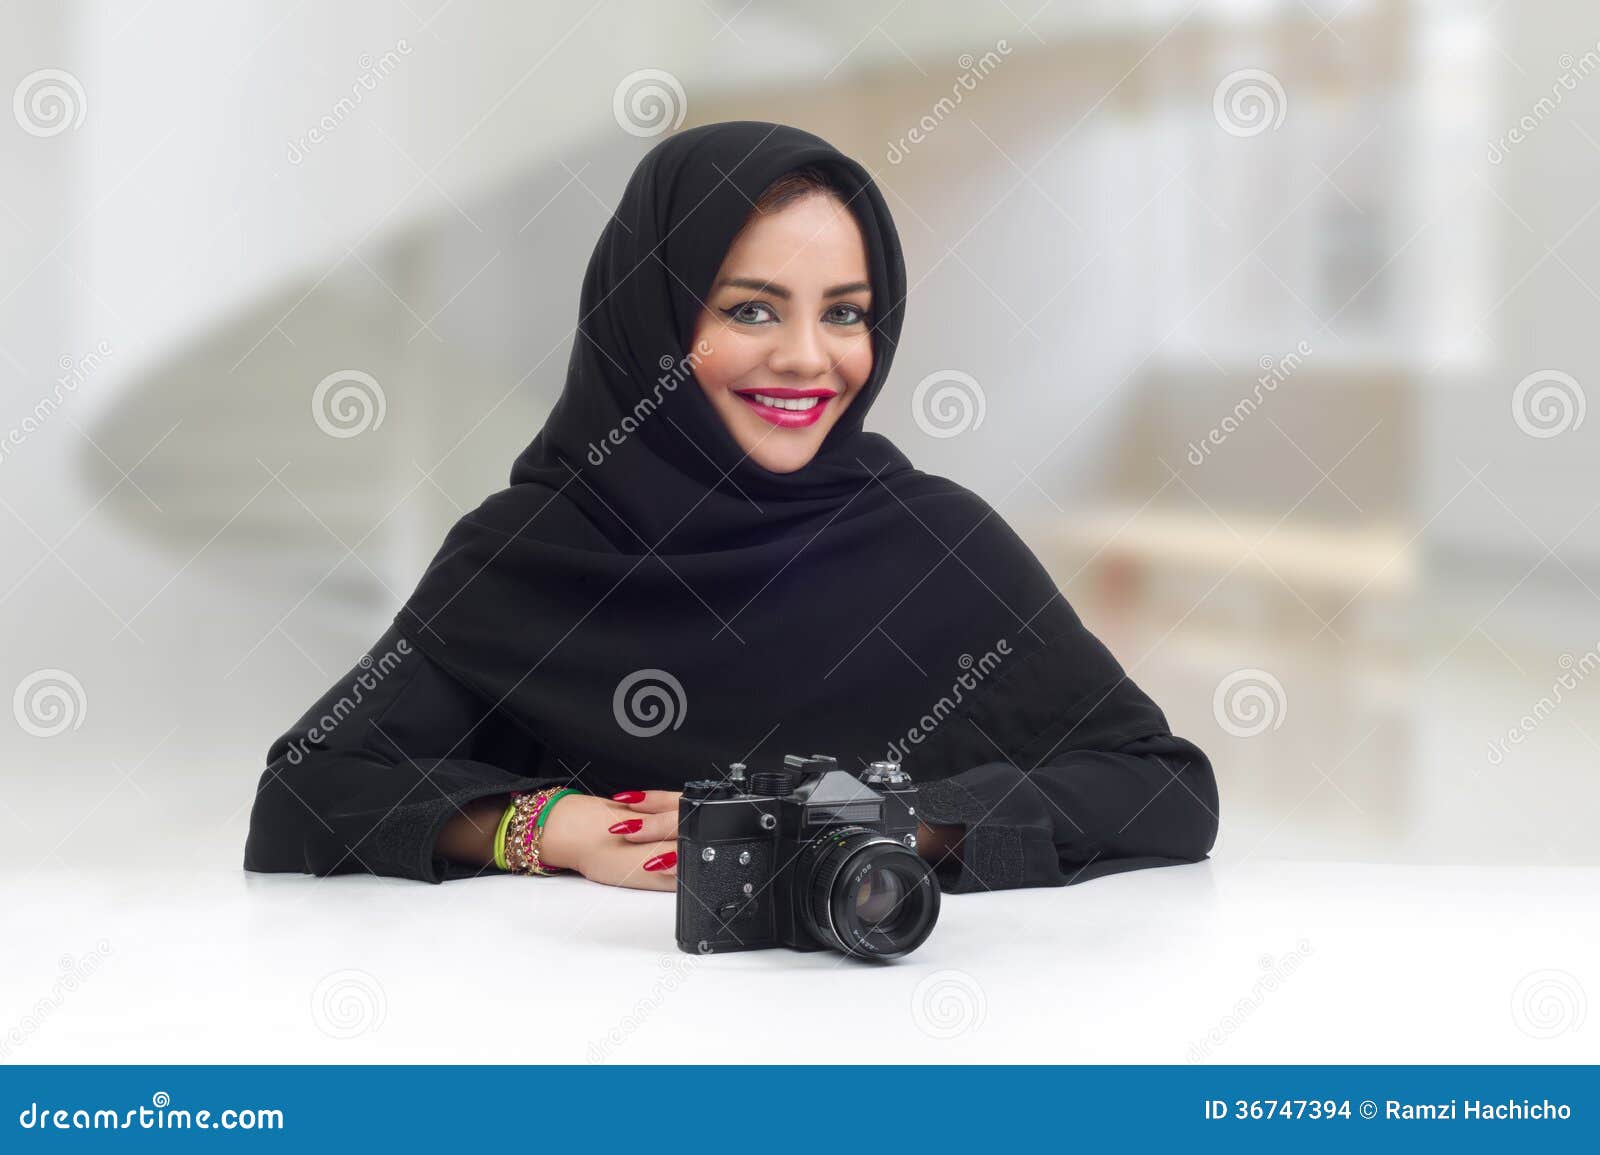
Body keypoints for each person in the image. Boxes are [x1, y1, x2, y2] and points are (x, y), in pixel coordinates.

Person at [243, 120, 1219, 899]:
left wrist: (885, 823)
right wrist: (553, 828)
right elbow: (309, 788)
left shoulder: (934, 546)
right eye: (751, 309)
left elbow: (1162, 787)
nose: (806, 358)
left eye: (843, 312)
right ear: (653, 321)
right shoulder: (528, 551)